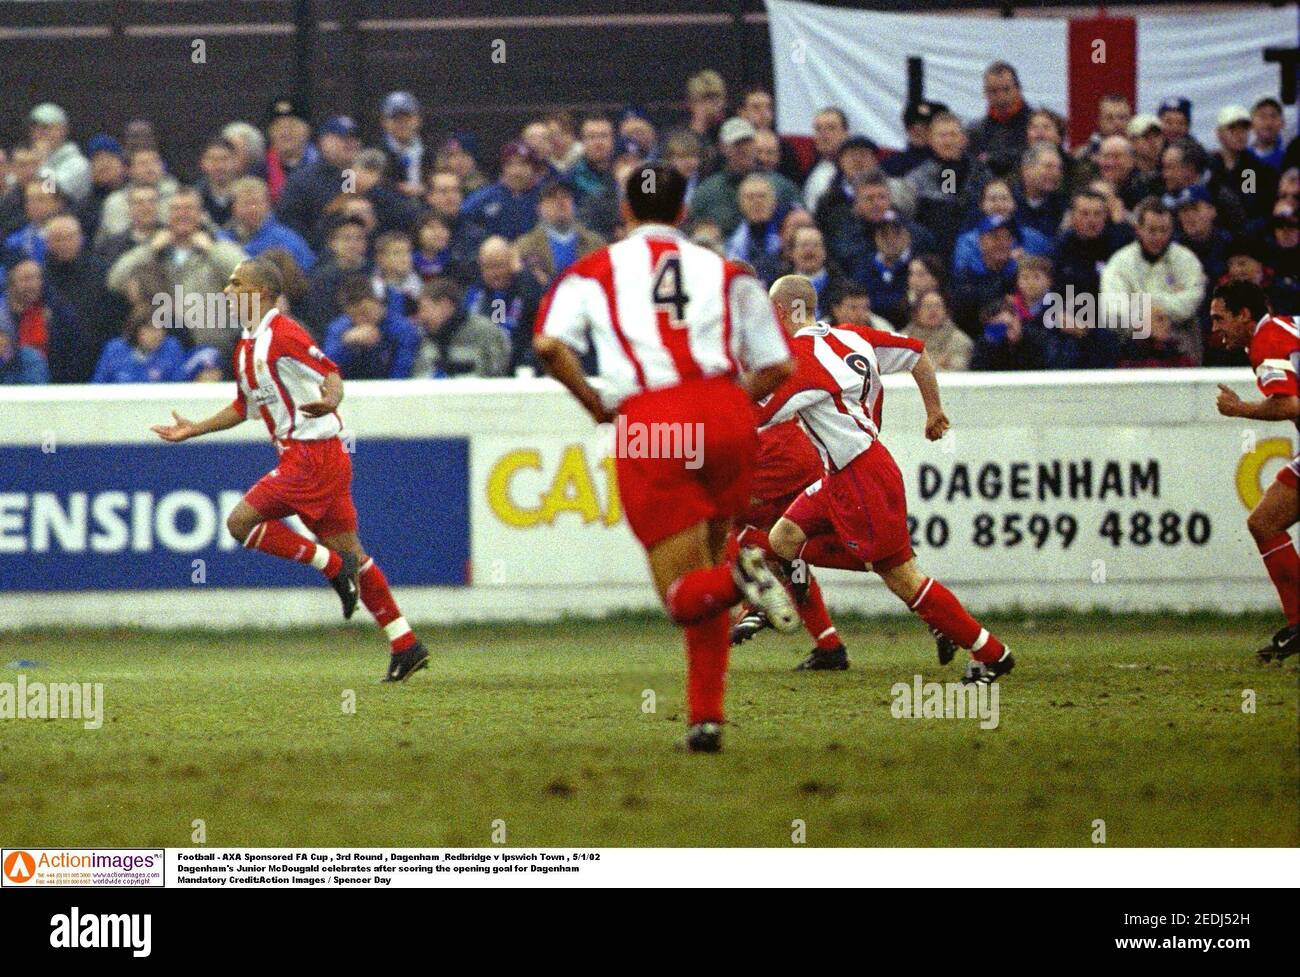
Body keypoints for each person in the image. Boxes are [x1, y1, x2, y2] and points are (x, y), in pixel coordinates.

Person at [533, 164, 798, 754]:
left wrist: (597, 407)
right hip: (726, 416)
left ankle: (739, 578)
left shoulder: (593, 270)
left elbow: (549, 344)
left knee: (683, 594)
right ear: (683, 213)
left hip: (652, 421)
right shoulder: (730, 272)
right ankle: (706, 721)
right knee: (705, 564)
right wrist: (730, 402)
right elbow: (780, 366)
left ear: (624, 212)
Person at [149, 257, 429, 681]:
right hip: (313, 457)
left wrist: (332, 399)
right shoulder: (246, 344)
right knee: (356, 554)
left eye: (235, 284)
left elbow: (330, 373)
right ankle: (406, 644)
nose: (226, 293)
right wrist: (195, 429)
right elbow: (245, 408)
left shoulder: (284, 333)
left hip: (311, 456)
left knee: (240, 523)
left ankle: (332, 567)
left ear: (260, 293)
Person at [750, 275, 1014, 681]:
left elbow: (761, 414)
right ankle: (801, 601)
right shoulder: (851, 337)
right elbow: (917, 354)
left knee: (902, 577)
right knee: (783, 538)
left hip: (861, 475)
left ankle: (991, 653)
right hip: (845, 472)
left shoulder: (803, 359)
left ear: (781, 312)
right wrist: (934, 411)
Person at [1209, 280, 1300, 662]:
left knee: (1265, 522)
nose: (1214, 328)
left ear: (1244, 316)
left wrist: (1239, 409)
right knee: (1264, 522)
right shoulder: (1286, 325)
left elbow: (1289, 405)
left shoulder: (1266, 340)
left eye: (1220, 318)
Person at [322, 274, 419, 379]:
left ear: (378, 303)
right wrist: (346, 343)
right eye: (353, 316)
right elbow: (327, 370)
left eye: (365, 312)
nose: (360, 320)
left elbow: (402, 371)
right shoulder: (339, 329)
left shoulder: (403, 329)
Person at [411, 276, 509, 378]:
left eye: (425, 309)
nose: (421, 316)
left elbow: (497, 375)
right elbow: (420, 379)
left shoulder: (485, 332)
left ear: (445, 305)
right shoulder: (426, 341)